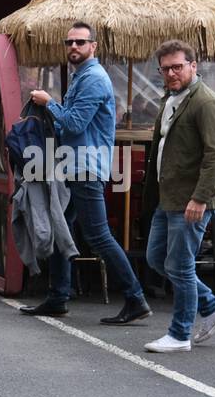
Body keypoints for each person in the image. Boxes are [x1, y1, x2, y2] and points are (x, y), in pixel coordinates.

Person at [21, 21, 151, 324]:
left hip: (86, 168)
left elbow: (75, 124)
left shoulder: (93, 78)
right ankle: (58, 297)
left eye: (80, 42)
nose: (74, 47)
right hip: (73, 165)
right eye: (70, 43)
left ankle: (135, 298)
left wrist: (49, 102)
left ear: (93, 46)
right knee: (60, 227)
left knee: (98, 235)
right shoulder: (82, 76)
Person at [142, 40, 215, 352]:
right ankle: (210, 306)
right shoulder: (172, 98)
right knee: (157, 258)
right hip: (170, 196)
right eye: (165, 68)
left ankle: (180, 334)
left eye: (178, 66)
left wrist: (201, 198)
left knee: (179, 265)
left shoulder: (206, 103)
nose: (171, 73)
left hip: (191, 200)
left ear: (193, 66)